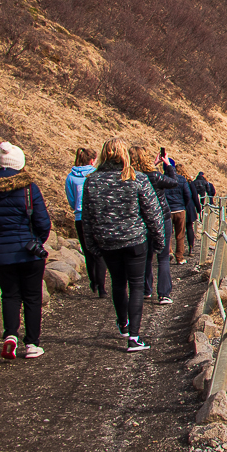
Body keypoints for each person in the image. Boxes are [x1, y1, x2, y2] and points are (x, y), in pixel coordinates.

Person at [82, 138, 165, 351]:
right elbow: (153, 212)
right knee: (136, 284)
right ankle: (134, 338)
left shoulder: (92, 181)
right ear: (124, 155)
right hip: (135, 239)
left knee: (118, 282)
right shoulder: (136, 178)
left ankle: (123, 324)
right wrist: (159, 240)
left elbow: (87, 216)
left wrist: (91, 245)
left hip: (108, 241)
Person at [0, 142, 51, 360]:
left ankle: (10, 336)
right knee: (33, 297)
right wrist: (37, 241)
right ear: (20, 163)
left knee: (10, 296)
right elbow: (42, 221)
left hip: (1, 252)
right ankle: (32, 344)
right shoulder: (28, 187)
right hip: (29, 250)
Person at [130, 146, 177, 305]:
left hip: (141, 220)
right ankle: (164, 294)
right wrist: (168, 165)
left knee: (146, 256)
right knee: (163, 257)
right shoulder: (155, 176)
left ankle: (146, 289)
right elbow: (173, 182)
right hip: (162, 217)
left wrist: (154, 164)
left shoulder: (130, 177)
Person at [65, 146, 106, 297]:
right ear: (92, 160)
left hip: (80, 217)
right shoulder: (97, 174)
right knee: (100, 252)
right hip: (96, 216)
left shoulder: (70, 177)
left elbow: (71, 199)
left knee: (88, 252)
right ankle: (102, 287)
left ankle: (93, 281)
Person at [162, 155, 191, 264]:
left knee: (167, 234)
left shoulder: (161, 178)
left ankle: (168, 252)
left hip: (166, 210)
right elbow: (187, 194)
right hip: (180, 209)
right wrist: (184, 205)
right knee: (180, 235)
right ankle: (180, 257)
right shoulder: (181, 179)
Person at [176, 163, 201, 257]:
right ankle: (191, 248)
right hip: (189, 206)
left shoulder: (174, 180)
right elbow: (194, 196)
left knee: (179, 229)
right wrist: (198, 208)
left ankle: (179, 250)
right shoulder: (189, 182)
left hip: (178, 205)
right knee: (189, 227)